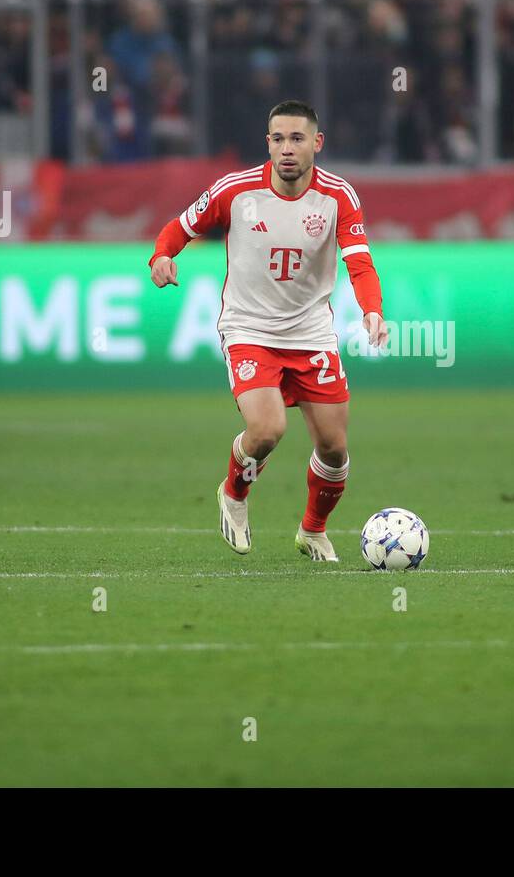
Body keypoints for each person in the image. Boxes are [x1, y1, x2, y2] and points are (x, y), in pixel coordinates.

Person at [148, 100, 387, 562]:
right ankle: (234, 493)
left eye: (297, 138)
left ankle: (312, 530)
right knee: (267, 429)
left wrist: (372, 310)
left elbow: (359, 262)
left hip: (312, 335)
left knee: (334, 450)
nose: (287, 149)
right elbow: (180, 227)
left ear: (317, 143)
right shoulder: (235, 191)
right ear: (268, 143)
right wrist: (161, 256)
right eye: (278, 139)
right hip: (249, 330)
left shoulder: (338, 197)